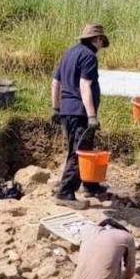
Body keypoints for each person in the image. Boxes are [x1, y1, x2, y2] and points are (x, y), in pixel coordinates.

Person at [50, 24, 111, 210]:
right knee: (79, 153)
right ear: (98, 39)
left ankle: (90, 185)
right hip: (80, 111)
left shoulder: (69, 53)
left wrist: (56, 108)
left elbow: (55, 82)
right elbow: (85, 86)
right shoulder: (89, 56)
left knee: (79, 149)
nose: (101, 46)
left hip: (67, 111)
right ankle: (65, 193)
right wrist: (92, 115)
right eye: (102, 42)